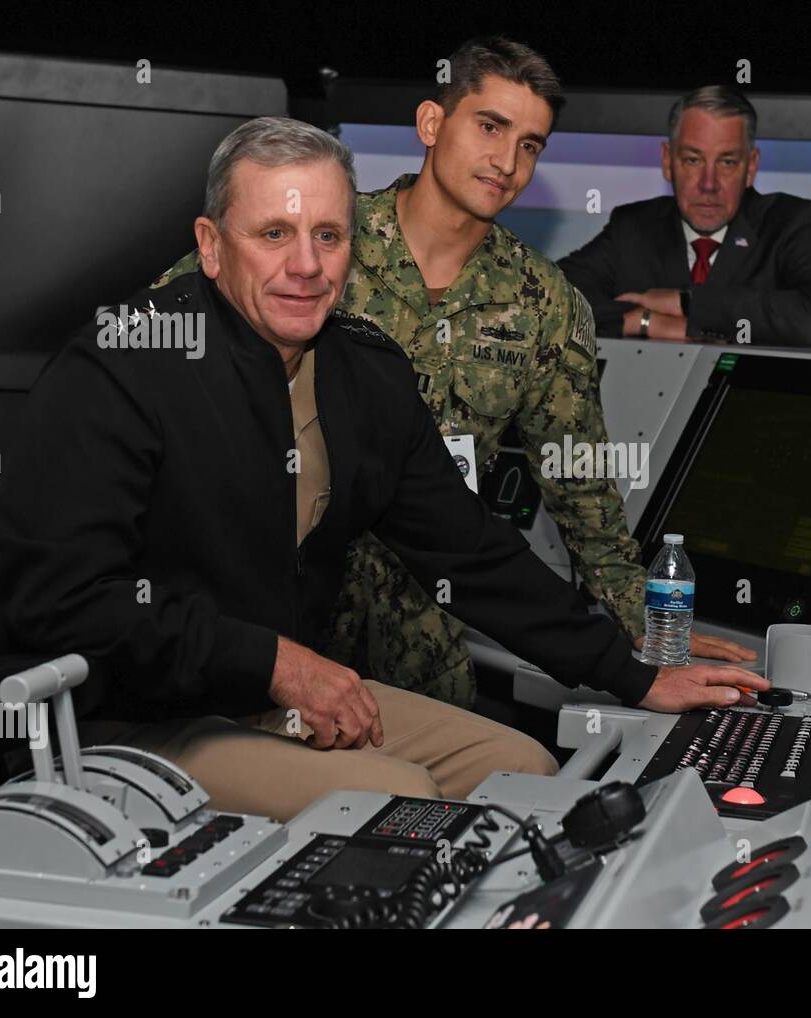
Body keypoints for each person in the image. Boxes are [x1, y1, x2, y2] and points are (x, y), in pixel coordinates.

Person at [0, 116, 768, 822]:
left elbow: (472, 553)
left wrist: (632, 675)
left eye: (328, 236)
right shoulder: (121, 367)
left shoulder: (362, 375)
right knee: (402, 807)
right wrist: (275, 663)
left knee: (526, 773)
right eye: (273, 234)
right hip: (132, 717)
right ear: (211, 243)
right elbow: (62, 602)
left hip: (271, 698)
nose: (306, 266)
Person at [152, 38, 754, 711]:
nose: (506, 161)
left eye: (531, 144)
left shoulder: (544, 304)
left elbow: (579, 486)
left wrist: (648, 630)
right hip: (272, 627)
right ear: (433, 123)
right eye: (490, 127)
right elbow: (160, 345)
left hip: (425, 634)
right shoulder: (321, 240)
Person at [558, 85, 811, 347]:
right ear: (667, 162)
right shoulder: (635, 226)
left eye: (727, 162)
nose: (709, 184)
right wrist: (643, 321)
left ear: (751, 167)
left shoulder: (790, 223)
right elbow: (549, 297)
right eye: (693, 160)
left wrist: (687, 304)